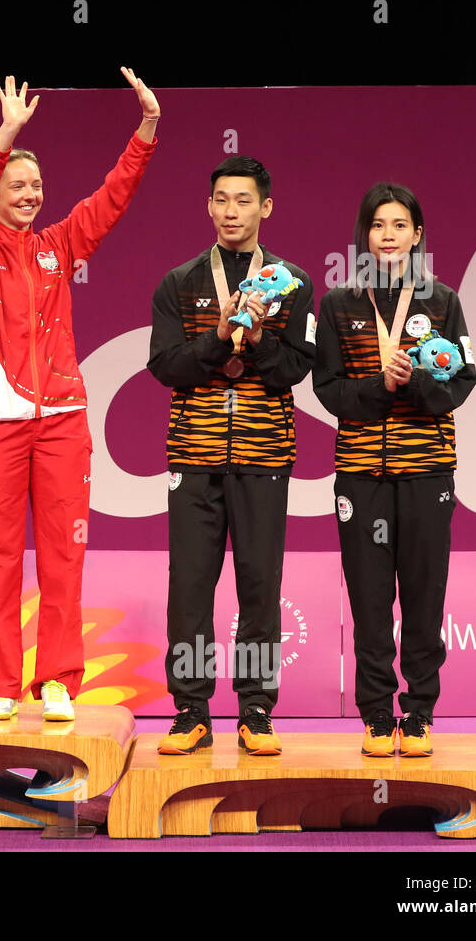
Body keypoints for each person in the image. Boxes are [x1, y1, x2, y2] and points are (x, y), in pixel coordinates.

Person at [0, 72, 159, 722]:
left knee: (64, 556)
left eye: (36, 185)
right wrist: (4, 138)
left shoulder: (57, 247)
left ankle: (59, 679)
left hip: (63, 423)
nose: (30, 194)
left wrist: (146, 129)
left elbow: (109, 200)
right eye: (17, 184)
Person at [148, 156, 315, 755]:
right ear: (208, 206)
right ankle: (191, 710)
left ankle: (256, 709)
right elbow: (165, 366)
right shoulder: (180, 282)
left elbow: (297, 367)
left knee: (259, 584)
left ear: (266, 208)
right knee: (190, 585)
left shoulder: (293, 283)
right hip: (193, 456)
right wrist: (219, 337)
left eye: (244, 201)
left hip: (265, 454)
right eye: (221, 199)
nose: (231, 212)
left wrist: (259, 336)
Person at [314, 183, 476, 757]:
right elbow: (328, 391)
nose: (388, 235)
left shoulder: (443, 300)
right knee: (369, 598)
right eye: (378, 225)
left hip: (428, 472)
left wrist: (420, 383)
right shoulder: (338, 303)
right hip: (360, 474)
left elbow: (462, 382)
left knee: (425, 597)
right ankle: (378, 715)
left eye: (399, 225)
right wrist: (380, 386)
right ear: (365, 234)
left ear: (417, 235)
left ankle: (420, 713)